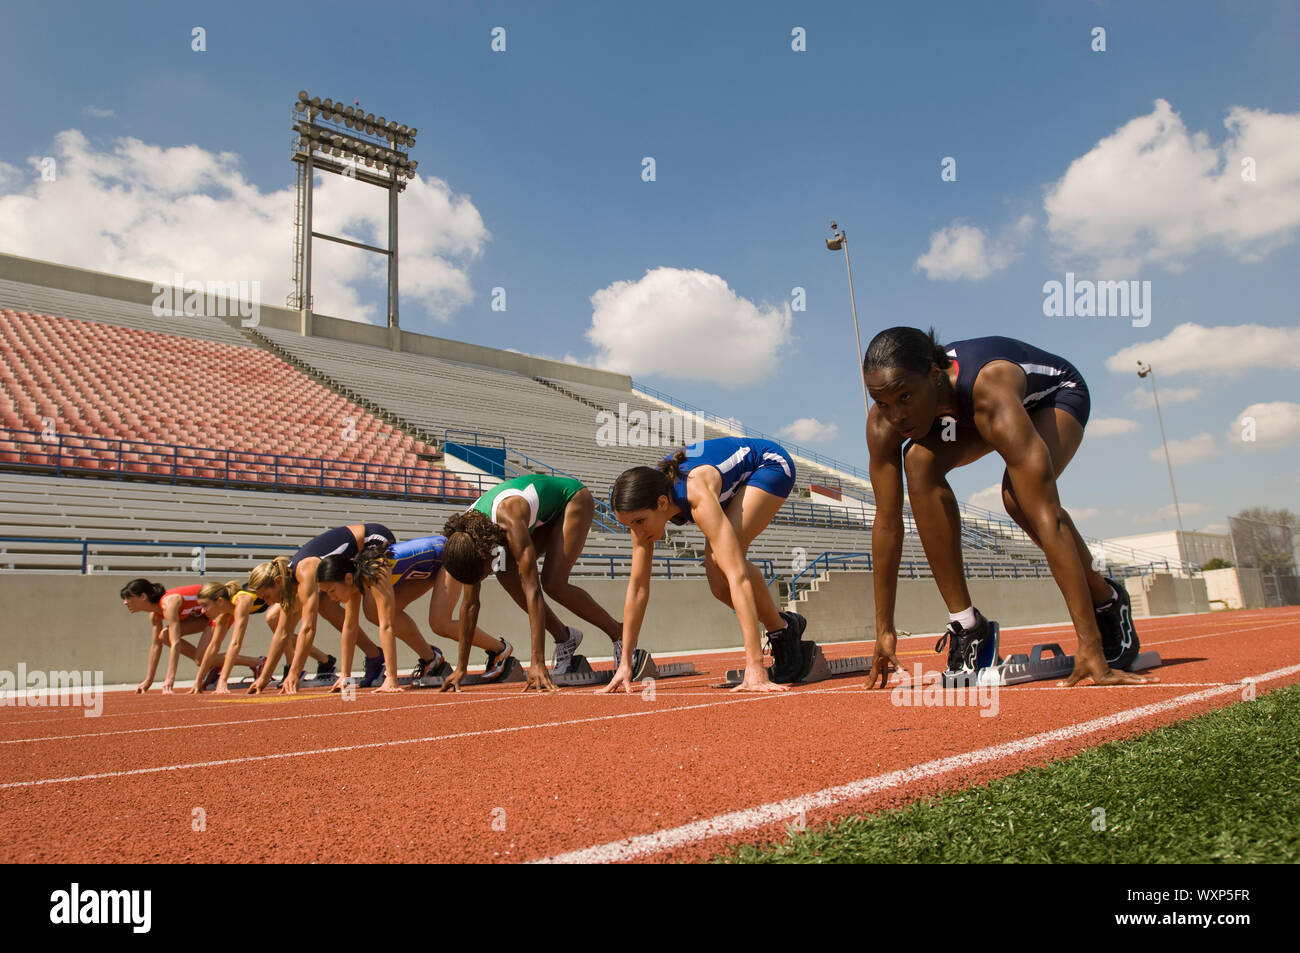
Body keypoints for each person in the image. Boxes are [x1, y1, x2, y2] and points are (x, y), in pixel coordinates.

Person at [860, 327, 1153, 688]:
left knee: (1019, 499)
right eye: (883, 402)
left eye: (905, 396)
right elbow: (887, 523)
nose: (897, 416)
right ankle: (968, 626)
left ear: (935, 376)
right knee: (919, 464)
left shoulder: (989, 386)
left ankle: (1107, 602)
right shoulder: (883, 423)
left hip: (1052, 397)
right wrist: (884, 629)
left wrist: (1088, 644)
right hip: (961, 414)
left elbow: (1051, 519)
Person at [603, 437, 806, 694]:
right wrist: (625, 663)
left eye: (640, 522)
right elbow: (637, 589)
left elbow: (738, 576)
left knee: (723, 562)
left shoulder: (695, 493)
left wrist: (754, 667)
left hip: (768, 465)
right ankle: (784, 626)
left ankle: (780, 634)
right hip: (728, 484)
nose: (637, 533)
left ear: (663, 504)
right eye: (629, 525)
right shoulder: (642, 507)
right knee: (718, 588)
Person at [439, 475, 623, 693]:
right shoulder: (467, 538)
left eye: (480, 576)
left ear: (485, 554)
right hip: (541, 515)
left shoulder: (510, 518)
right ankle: (566, 638)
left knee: (553, 583)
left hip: (572, 500)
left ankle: (619, 633)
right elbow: (470, 605)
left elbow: (532, 590)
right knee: (504, 573)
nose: (479, 581)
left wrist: (537, 661)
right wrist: (461, 668)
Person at [315, 534, 514, 693]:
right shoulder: (356, 582)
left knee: (439, 623)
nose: (331, 599)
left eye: (331, 591)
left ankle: (500, 649)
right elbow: (349, 627)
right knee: (372, 612)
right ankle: (432, 658)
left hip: (447, 556)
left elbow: (387, 626)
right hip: (425, 568)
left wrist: (391, 679)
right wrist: (345, 676)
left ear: (347, 578)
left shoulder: (375, 572)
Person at [244, 524, 389, 694]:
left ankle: (427, 656)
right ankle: (374, 655)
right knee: (327, 605)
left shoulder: (305, 571)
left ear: (277, 581)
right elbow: (282, 633)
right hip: (352, 557)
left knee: (371, 612)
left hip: (372, 540)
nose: (268, 602)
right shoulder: (289, 582)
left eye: (267, 596)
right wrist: (264, 677)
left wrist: (294, 673)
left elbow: (308, 628)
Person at [189, 581, 335, 694]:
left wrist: (223, 680)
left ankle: (294, 668)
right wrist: (198, 680)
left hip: (295, 592)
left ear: (220, 601)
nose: (202, 611)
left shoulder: (242, 601)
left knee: (273, 620)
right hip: (283, 599)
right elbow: (213, 646)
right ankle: (325, 660)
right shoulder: (224, 614)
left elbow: (235, 643)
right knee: (284, 633)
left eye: (205, 605)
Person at [121, 579, 256, 694]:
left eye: (129, 597)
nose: (125, 603)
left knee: (200, 658)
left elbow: (176, 643)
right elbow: (156, 645)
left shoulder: (169, 604)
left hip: (215, 610)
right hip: (203, 615)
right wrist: (148, 680)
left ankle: (258, 662)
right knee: (165, 636)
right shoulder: (155, 615)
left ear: (143, 597)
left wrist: (169, 679)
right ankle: (213, 666)